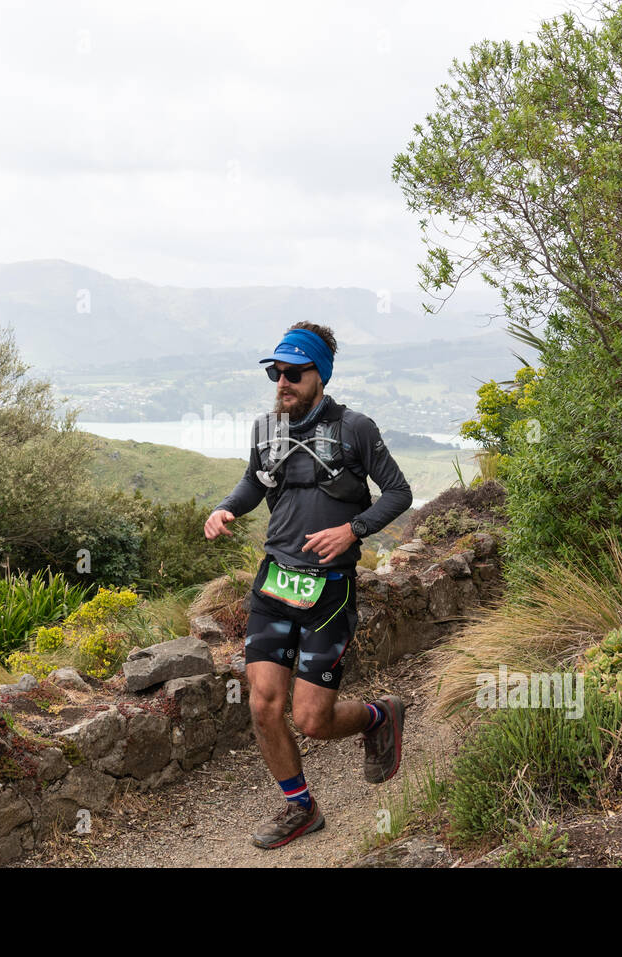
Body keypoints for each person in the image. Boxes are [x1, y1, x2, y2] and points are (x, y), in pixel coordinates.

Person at [204, 322, 413, 849]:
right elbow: (255, 481)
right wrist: (227, 507)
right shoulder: (266, 429)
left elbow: (398, 492)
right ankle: (300, 807)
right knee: (262, 703)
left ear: (320, 374)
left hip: (329, 589)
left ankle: (378, 716)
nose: (282, 383)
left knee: (312, 720)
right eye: (276, 372)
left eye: (293, 373)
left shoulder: (356, 429)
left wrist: (353, 529)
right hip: (274, 581)